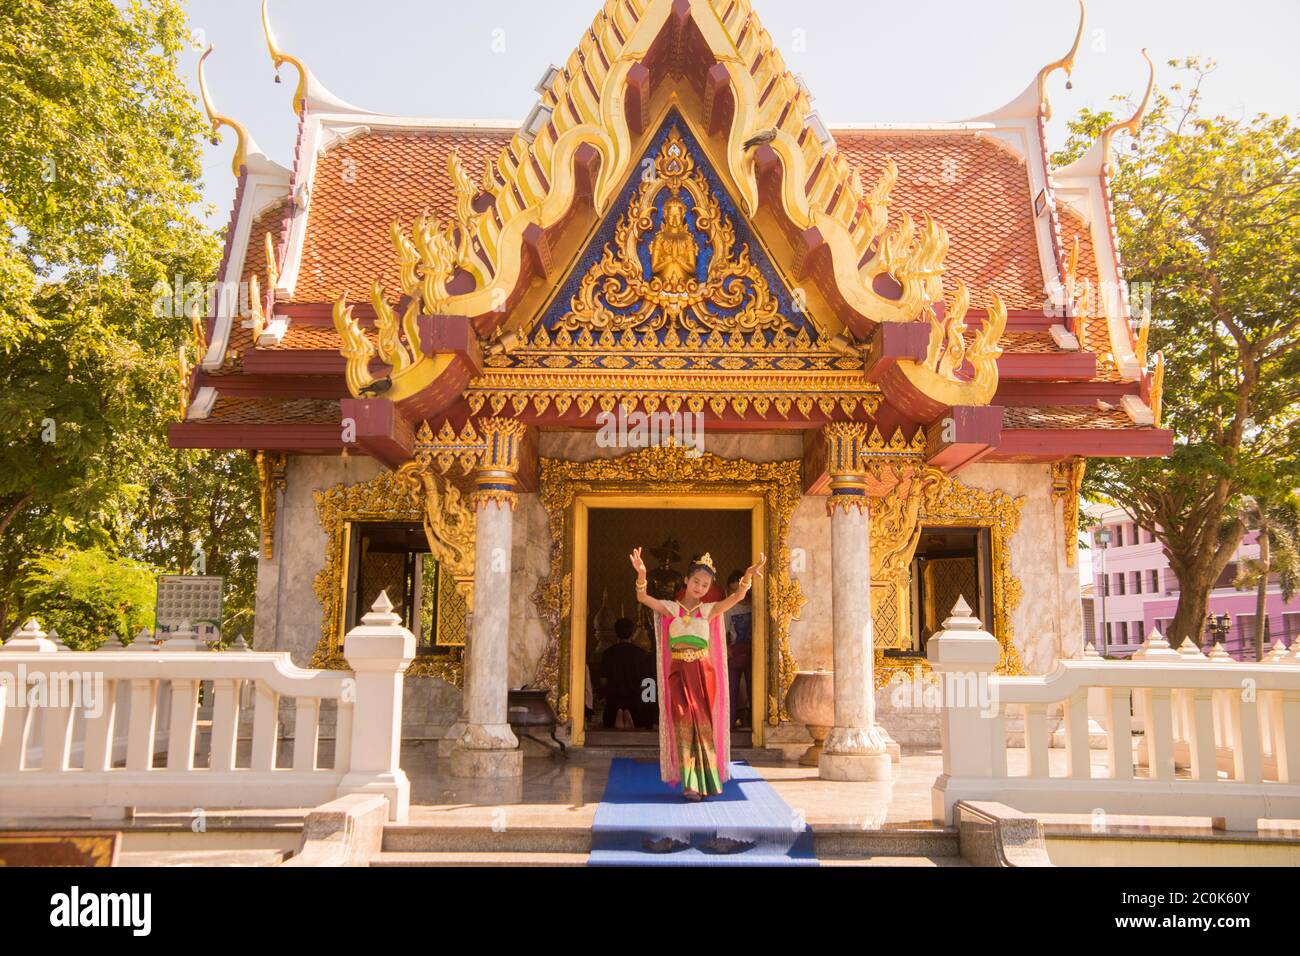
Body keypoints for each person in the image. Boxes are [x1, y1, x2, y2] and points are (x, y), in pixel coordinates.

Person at [630, 546, 767, 801]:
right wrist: (641, 574)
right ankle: (689, 783)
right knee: (683, 724)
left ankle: (705, 782)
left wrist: (747, 576)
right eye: (696, 581)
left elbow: (737, 598)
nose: (700, 587)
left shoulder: (708, 610)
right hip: (679, 673)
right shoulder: (671, 609)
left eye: (705, 584)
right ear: (686, 580)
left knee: (703, 727)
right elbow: (643, 598)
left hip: (704, 673)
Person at [601, 617, 653, 729]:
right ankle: (627, 712)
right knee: (638, 717)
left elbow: (603, 681)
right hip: (635, 701)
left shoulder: (608, 653)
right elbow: (647, 683)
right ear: (632, 632)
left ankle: (619, 712)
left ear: (616, 632)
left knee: (612, 713)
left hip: (614, 700)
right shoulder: (640, 654)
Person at [723, 570, 753, 729]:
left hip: (753, 653)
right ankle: (729, 725)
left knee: (753, 690)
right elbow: (725, 631)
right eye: (733, 590)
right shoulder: (729, 608)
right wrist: (727, 648)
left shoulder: (754, 605)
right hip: (734, 652)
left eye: (739, 590)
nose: (736, 594)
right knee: (731, 690)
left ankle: (754, 723)